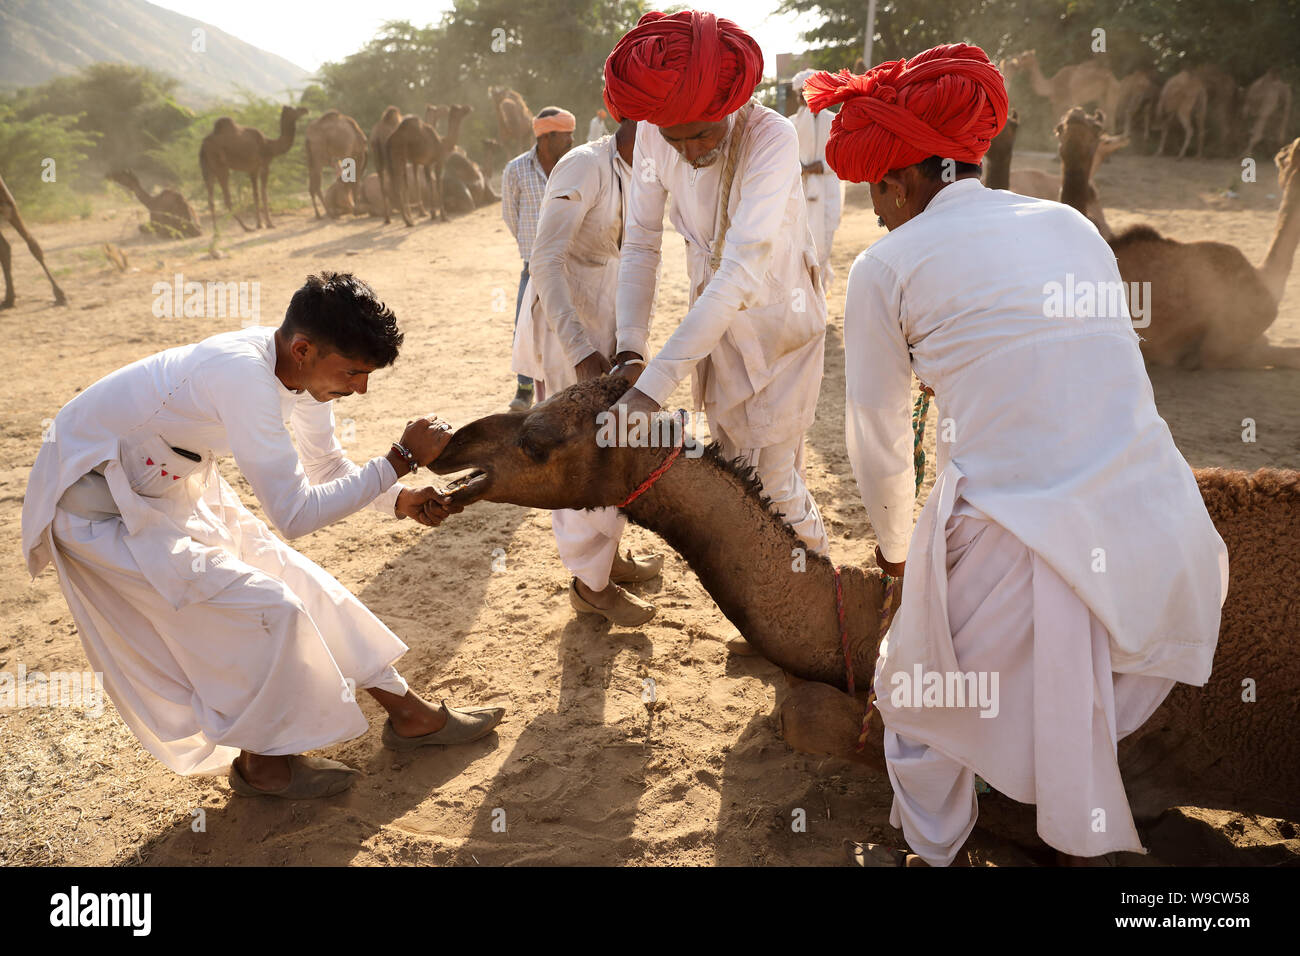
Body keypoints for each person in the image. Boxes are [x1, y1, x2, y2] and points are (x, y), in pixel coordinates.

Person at [803, 45, 1229, 865]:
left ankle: (936, 848)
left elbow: (880, 441)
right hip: (1164, 532)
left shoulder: (884, 267)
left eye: (875, 196)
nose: (877, 215)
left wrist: (898, 560)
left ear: (898, 181)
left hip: (1020, 543)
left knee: (915, 700)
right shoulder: (1068, 225)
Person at [21, 273, 505, 799]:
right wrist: (400, 459)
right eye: (354, 372)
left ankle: (410, 715)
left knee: (299, 580)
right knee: (266, 608)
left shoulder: (302, 372)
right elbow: (294, 514)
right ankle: (263, 767)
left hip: (174, 485)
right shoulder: (242, 375)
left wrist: (398, 498)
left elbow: (325, 466)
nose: (360, 388)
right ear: (303, 348)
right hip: (100, 515)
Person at [602, 9, 830, 558]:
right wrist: (631, 346)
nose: (689, 150)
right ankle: (776, 613)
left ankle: (831, 609)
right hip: (714, 331)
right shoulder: (659, 137)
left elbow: (741, 272)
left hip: (781, 329)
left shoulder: (770, 137)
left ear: (730, 105)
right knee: (736, 477)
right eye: (676, 140)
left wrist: (650, 393)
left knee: (774, 483)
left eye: (701, 134)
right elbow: (641, 243)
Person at [513, 117, 666, 626]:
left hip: (610, 322)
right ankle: (589, 586)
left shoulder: (645, 168)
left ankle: (609, 561)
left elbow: (640, 258)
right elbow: (544, 259)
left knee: (616, 445)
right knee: (581, 452)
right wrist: (579, 349)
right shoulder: (584, 165)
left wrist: (630, 345)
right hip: (566, 332)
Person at [501, 106, 576, 411]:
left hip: (571, 265)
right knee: (526, 329)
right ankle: (524, 389)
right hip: (533, 268)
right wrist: (531, 248)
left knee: (571, 323)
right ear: (547, 137)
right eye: (566, 136)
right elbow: (510, 214)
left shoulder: (576, 166)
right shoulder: (515, 169)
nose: (572, 141)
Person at [791, 68, 843, 292]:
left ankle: (818, 302)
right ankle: (804, 306)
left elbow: (842, 159)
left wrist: (819, 166)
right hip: (800, 193)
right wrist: (799, 169)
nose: (803, 99)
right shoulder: (790, 123)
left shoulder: (835, 121)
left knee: (823, 247)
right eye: (800, 94)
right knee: (800, 249)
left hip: (828, 190)